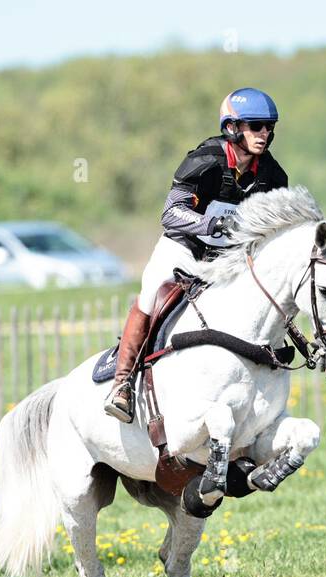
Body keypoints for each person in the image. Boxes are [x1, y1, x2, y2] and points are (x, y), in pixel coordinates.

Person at [104, 87, 289, 422]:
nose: (265, 133)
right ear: (233, 127)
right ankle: (122, 384)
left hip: (227, 259)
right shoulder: (205, 160)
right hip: (185, 247)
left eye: (269, 127)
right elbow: (171, 213)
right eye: (256, 125)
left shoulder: (271, 174)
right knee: (150, 294)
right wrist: (212, 223)